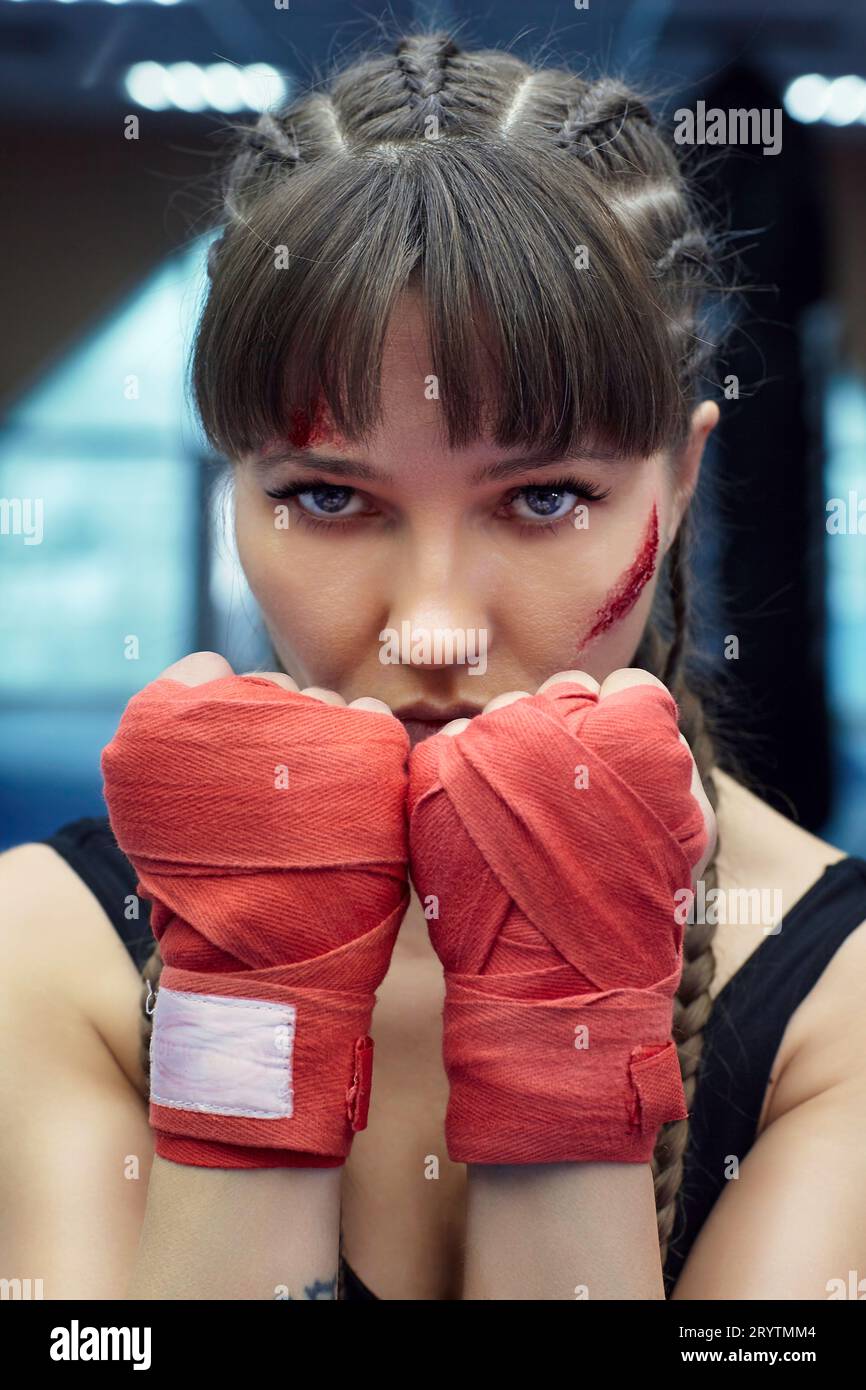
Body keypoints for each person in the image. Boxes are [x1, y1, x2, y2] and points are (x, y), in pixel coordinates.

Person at [2, 29, 866, 1302]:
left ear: (678, 488)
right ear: (233, 488)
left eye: (545, 497)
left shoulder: (833, 1004)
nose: (433, 625)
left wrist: (560, 1019)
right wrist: (249, 1004)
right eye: (330, 499)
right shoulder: (48, 945)